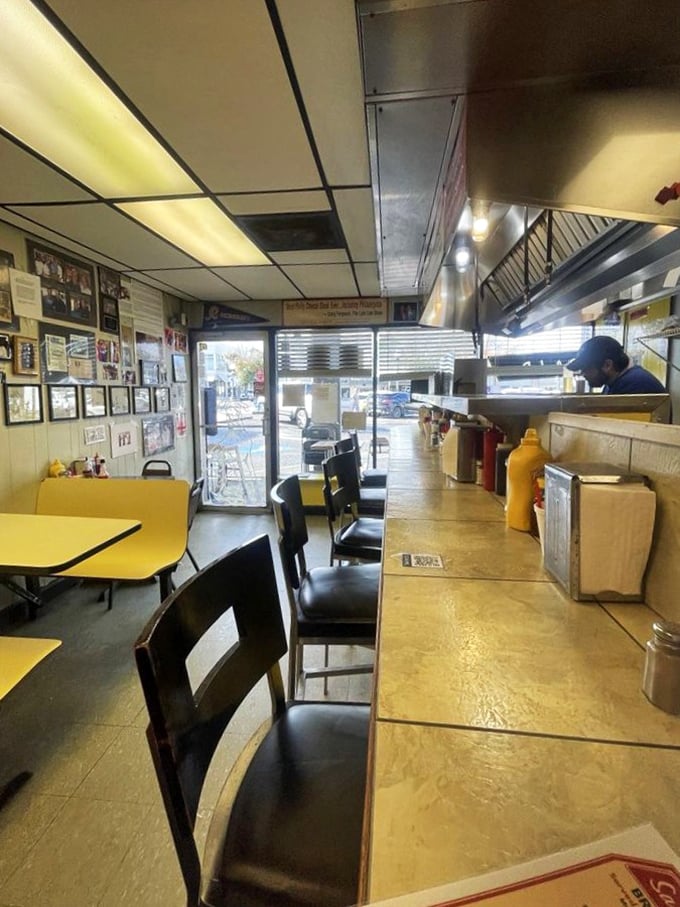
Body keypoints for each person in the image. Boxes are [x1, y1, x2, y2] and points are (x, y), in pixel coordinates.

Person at [567, 335, 666, 394]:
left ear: (607, 365)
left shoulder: (636, 386)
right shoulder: (614, 382)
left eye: (586, 368)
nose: (583, 374)